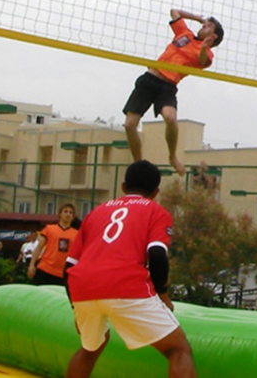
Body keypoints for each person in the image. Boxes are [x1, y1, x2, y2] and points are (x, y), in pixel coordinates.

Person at [64, 160, 195, 378]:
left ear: (124, 187)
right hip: (125, 285)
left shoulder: (95, 213)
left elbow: (69, 266)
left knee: (90, 348)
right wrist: (162, 293)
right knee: (178, 350)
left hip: (82, 288)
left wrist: (76, 310)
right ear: (155, 192)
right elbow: (156, 254)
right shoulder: (156, 211)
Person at [123, 8, 223, 176]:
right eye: (205, 23)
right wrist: (197, 18)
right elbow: (174, 11)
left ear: (214, 37)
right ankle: (138, 163)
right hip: (149, 79)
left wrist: (205, 47)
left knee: (170, 117)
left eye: (209, 26)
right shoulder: (185, 33)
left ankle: (172, 157)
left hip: (167, 87)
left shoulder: (207, 53)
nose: (204, 25)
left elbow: (202, 60)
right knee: (129, 125)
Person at [28, 204, 78, 286]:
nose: (68, 214)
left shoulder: (76, 234)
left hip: (63, 273)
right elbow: (39, 247)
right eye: (65, 211)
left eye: (70, 212)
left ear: (73, 217)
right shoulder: (49, 229)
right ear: (60, 214)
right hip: (45, 269)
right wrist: (32, 264)